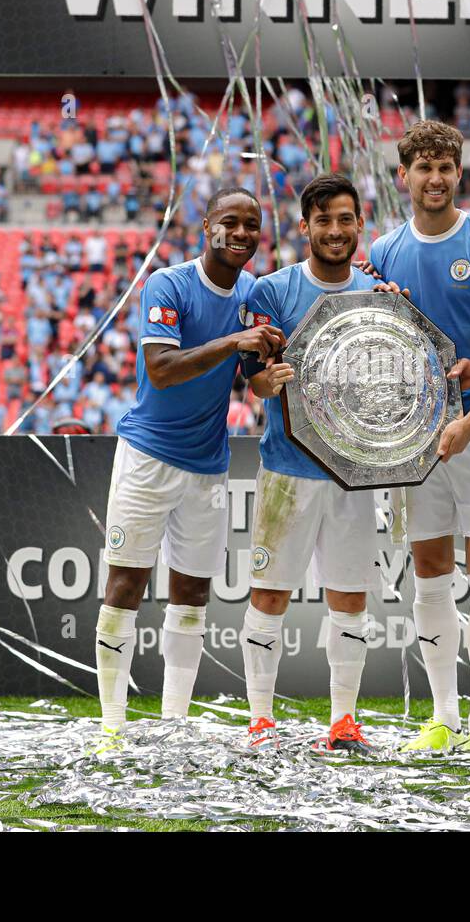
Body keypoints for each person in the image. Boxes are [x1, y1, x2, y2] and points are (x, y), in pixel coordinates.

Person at [93, 187, 285, 753]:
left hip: (209, 463)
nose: (243, 234)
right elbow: (163, 368)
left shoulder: (254, 292)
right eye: (231, 222)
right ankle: (111, 727)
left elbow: (253, 374)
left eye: (253, 225)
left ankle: (173, 724)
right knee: (126, 582)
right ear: (207, 226)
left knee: (192, 594)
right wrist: (235, 340)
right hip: (148, 457)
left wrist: (267, 374)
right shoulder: (168, 284)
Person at [366, 120, 470, 754]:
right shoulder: (381, 253)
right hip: (412, 442)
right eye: (422, 167)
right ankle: (442, 715)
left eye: (445, 167)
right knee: (429, 569)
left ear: (459, 174)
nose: (435, 178)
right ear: (402, 176)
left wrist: (468, 417)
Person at [240, 173, 407, 755]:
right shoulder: (272, 292)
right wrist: (269, 379)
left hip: (354, 473)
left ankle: (343, 723)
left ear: (360, 224)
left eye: (345, 220)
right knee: (268, 594)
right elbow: (254, 382)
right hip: (287, 470)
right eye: (323, 220)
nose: (335, 231)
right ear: (305, 226)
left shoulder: (381, 293)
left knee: (350, 598)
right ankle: (261, 722)